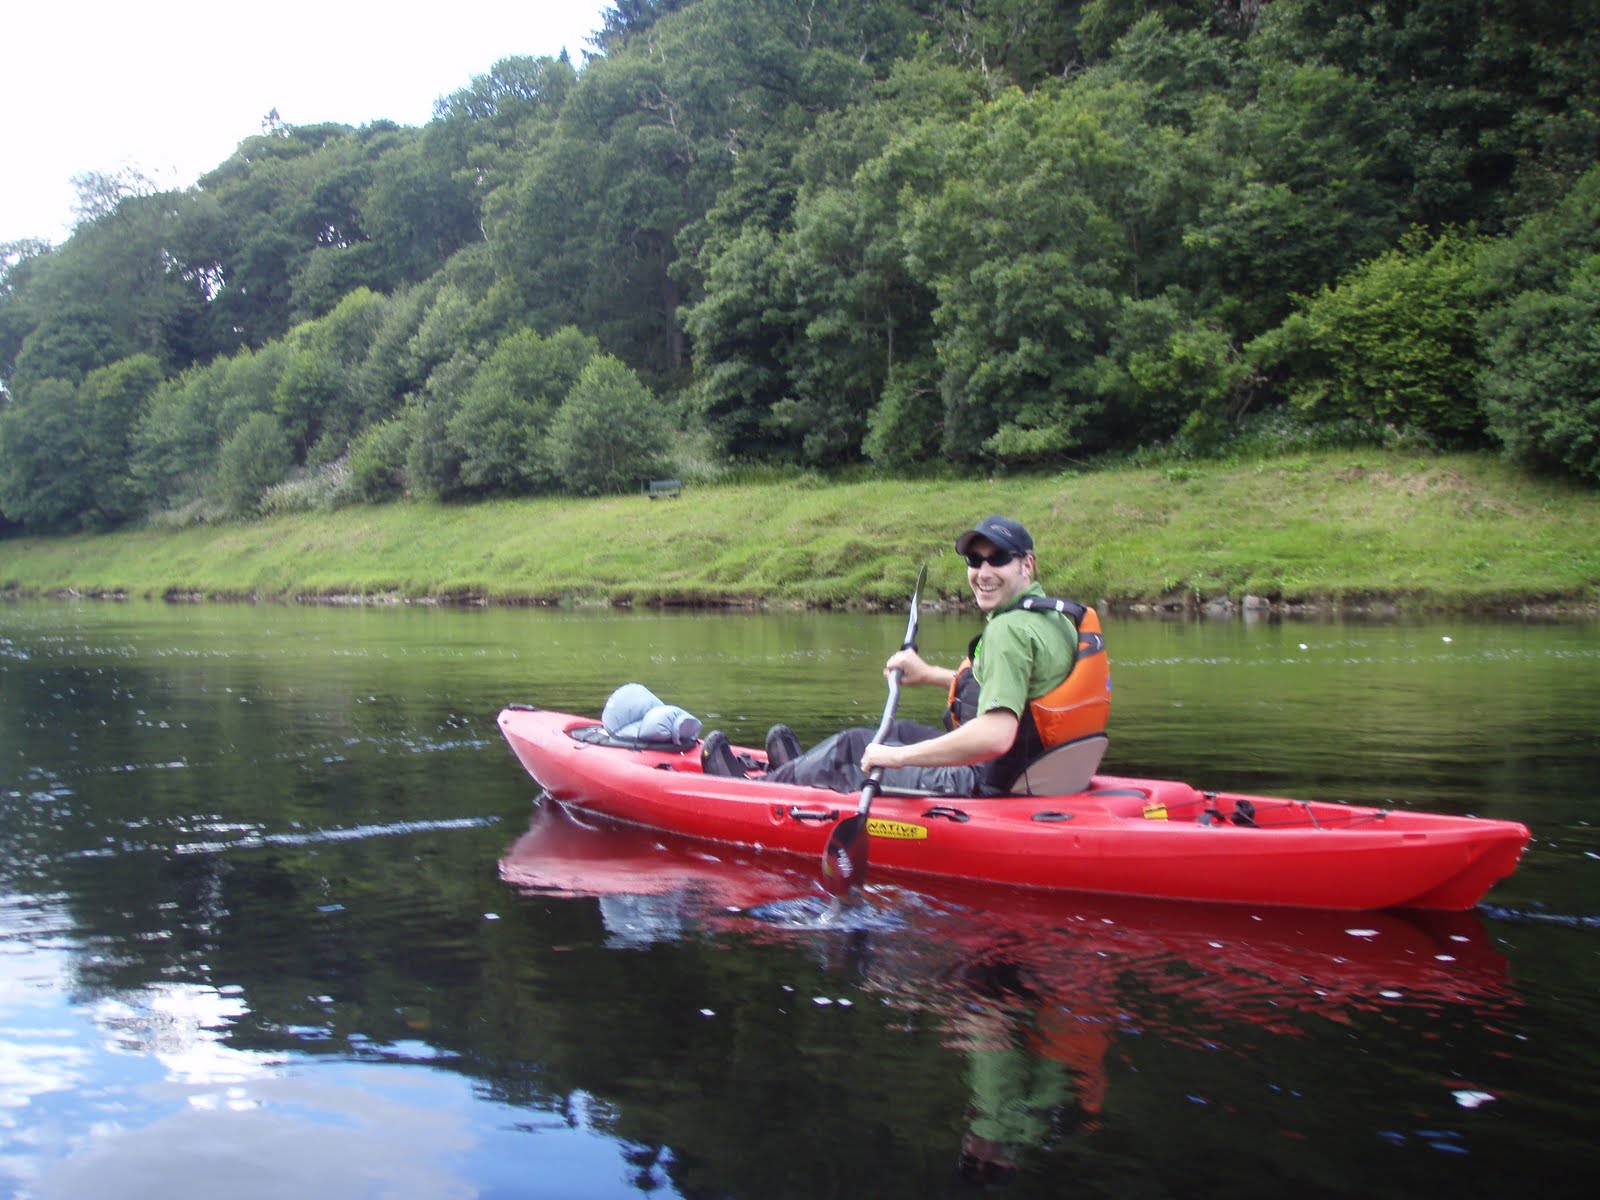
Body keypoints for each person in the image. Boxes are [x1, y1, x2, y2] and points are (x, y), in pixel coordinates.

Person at [701, 515, 1104, 796]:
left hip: (992, 778)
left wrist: (895, 758)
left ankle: (752, 791)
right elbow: (1021, 692)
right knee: (887, 733)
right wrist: (929, 674)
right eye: (974, 560)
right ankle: (797, 770)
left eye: (997, 559)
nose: (983, 572)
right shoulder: (1058, 618)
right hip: (1034, 767)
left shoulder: (1007, 631)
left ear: (1026, 565)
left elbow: (996, 736)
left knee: (854, 749)